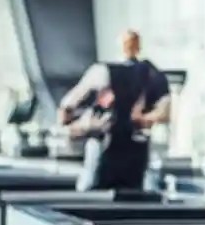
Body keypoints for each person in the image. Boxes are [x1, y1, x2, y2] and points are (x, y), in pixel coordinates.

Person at [58, 30, 171, 190]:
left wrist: (79, 125)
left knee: (90, 193)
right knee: (133, 197)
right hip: (137, 153)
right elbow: (164, 114)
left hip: (103, 147)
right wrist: (139, 119)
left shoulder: (101, 71)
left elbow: (67, 106)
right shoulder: (154, 75)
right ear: (139, 47)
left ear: (119, 46)